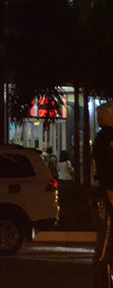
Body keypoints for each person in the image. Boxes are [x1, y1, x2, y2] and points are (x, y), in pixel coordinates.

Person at [93, 103, 113, 287]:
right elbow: (107, 176)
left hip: (106, 197)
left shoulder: (102, 139)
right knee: (105, 248)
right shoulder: (106, 140)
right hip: (108, 200)